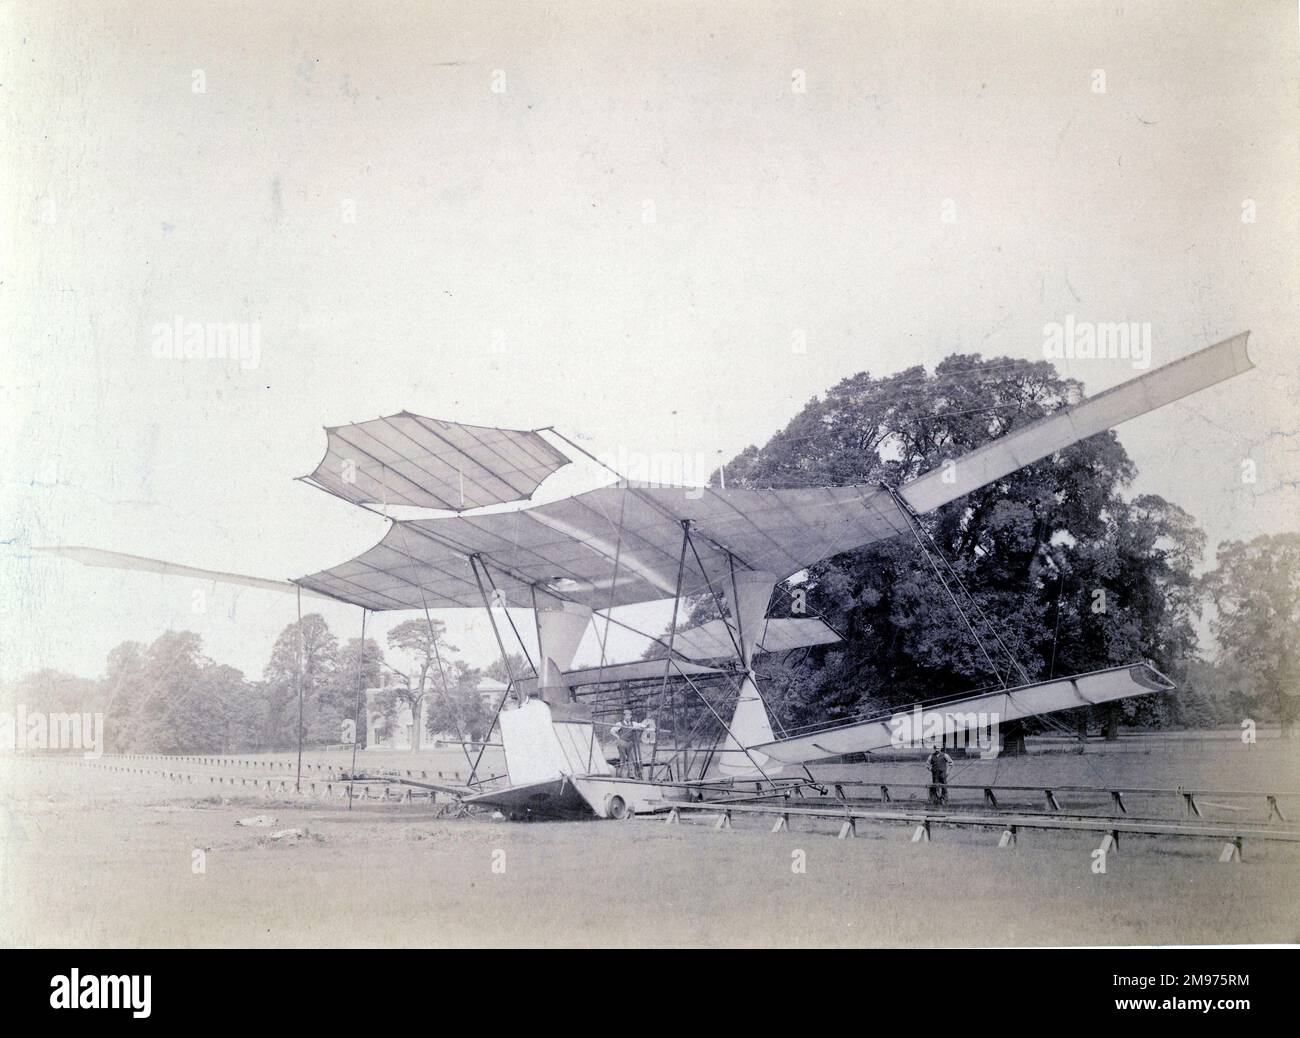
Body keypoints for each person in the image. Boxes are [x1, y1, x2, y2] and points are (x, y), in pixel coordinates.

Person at [609, 708, 643, 778]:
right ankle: (620, 774)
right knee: (623, 758)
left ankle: (631, 774)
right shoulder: (619, 724)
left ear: (631, 716)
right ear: (624, 716)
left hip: (630, 743)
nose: (628, 717)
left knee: (631, 758)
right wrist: (618, 737)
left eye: (629, 716)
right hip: (622, 742)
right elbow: (612, 731)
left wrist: (645, 725)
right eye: (626, 716)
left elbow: (642, 725)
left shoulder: (633, 724)